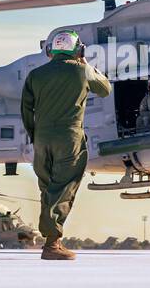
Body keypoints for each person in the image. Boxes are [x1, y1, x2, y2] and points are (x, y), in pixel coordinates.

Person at [20, 29, 110, 260]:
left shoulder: (35, 75)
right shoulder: (82, 70)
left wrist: (35, 136)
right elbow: (105, 88)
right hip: (68, 138)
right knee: (63, 188)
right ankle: (52, 244)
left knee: (47, 188)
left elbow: (26, 111)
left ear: (51, 51)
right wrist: (86, 64)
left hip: (41, 138)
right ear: (79, 50)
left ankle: (52, 239)